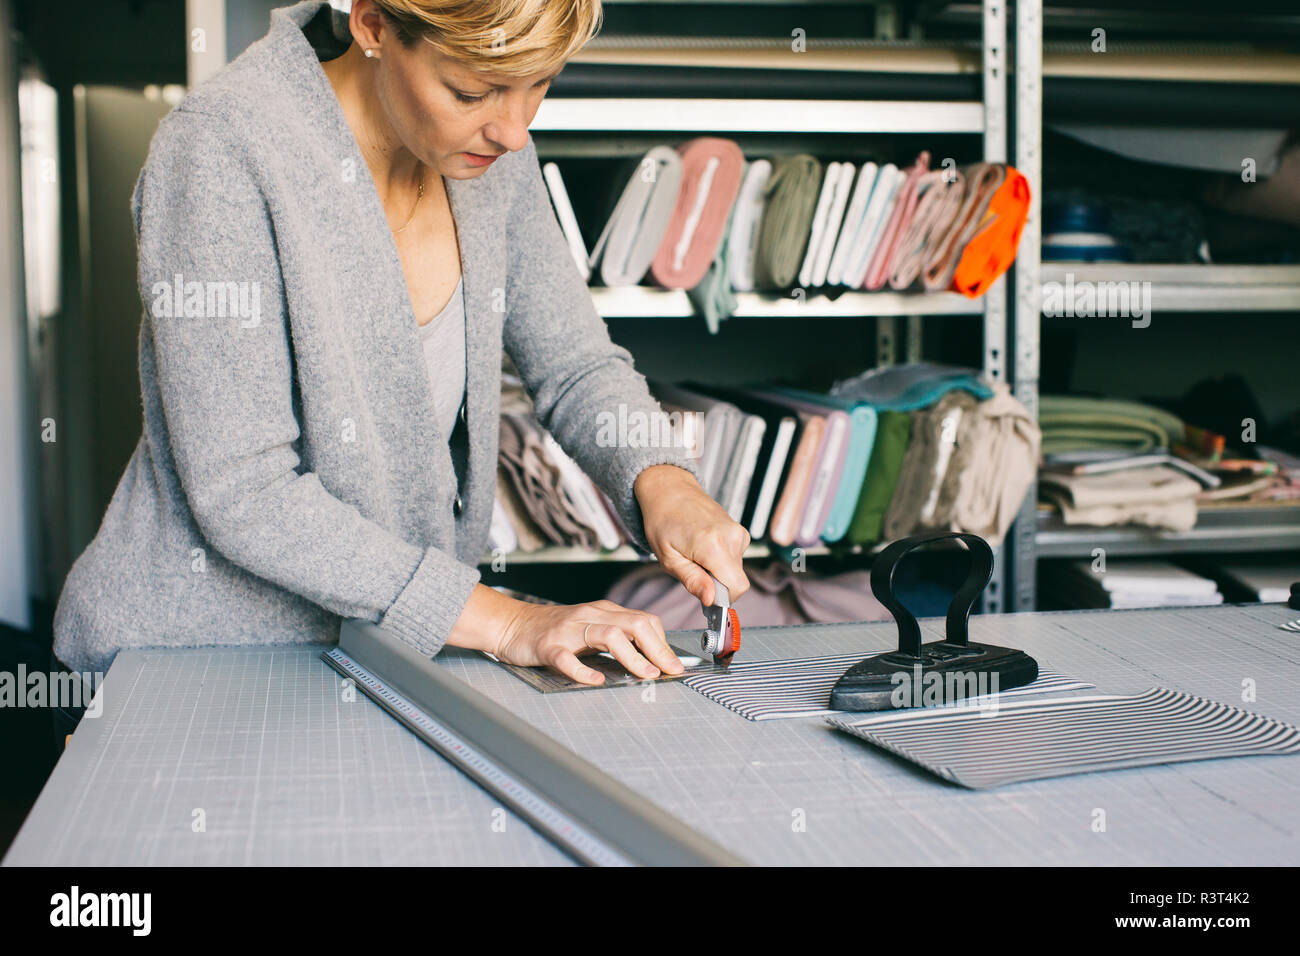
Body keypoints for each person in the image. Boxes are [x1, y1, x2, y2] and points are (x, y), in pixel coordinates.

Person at [51, 0, 749, 704]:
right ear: (373, 26)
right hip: (192, 661)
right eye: (472, 91)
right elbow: (245, 490)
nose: (513, 131)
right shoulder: (220, 147)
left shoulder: (491, 158)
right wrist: (510, 623)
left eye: (540, 83)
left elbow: (576, 365)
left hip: (384, 652)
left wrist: (666, 485)